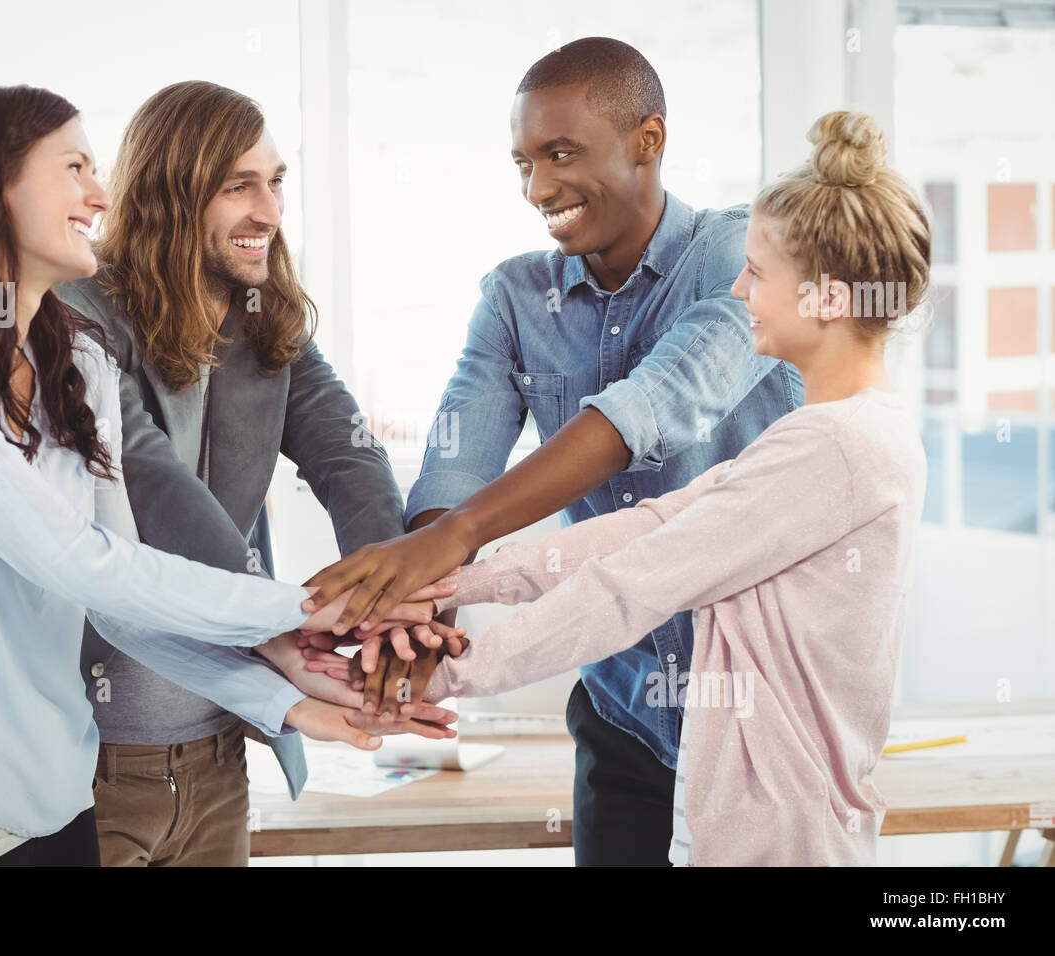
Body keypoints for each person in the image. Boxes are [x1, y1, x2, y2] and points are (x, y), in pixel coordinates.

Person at [0, 85, 451, 867]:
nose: (98, 197)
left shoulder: (76, 361)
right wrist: (317, 611)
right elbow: (84, 561)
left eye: (276, 183)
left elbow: (124, 604)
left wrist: (295, 700)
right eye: (74, 168)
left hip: (62, 805)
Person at [338, 110, 932, 866]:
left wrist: (440, 674)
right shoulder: (834, 434)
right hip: (712, 805)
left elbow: (636, 584)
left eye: (760, 272)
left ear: (828, 299)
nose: (740, 287)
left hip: (781, 837)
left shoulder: (834, 448)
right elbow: (650, 527)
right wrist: (456, 581)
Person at [302, 37, 802, 865]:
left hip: (763, 723)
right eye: (524, 162)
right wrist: (423, 613)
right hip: (624, 716)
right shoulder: (514, 298)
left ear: (649, 141)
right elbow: (458, 459)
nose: (538, 189)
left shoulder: (741, 255)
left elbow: (655, 406)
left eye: (561, 154)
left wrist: (452, 540)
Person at [54, 80, 460, 866]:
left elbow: (349, 454)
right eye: (238, 185)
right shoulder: (79, 310)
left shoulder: (263, 319)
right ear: (161, 195)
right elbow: (146, 479)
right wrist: (290, 617)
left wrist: (392, 601)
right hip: (89, 759)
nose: (269, 212)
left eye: (275, 183)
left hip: (220, 751)